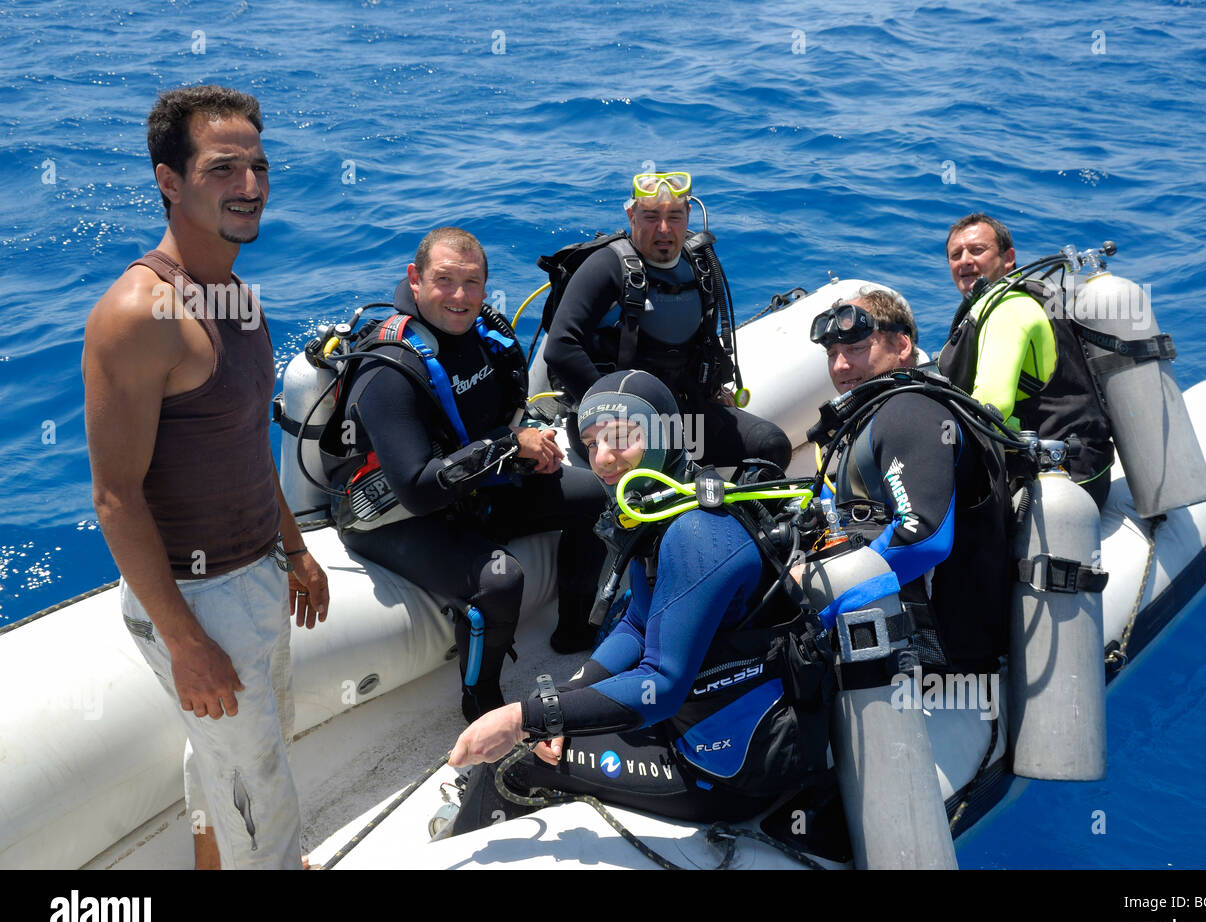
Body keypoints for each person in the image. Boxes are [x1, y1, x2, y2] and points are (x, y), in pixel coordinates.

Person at [83, 85, 329, 870]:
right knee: (264, 802)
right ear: (169, 180)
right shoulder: (135, 313)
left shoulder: (238, 299)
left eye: (258, 166)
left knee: (229, 777)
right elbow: (115, 498)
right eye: (223, 168)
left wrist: (291, 547)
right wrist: (187, 643)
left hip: (255, 573)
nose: (250, 185)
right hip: (199, 601)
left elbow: (245, 441)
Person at [445, 371, 830, 833]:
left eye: (622, 437)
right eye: (590, 442)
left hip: (729, 769)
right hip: (700, 724)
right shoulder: (665, 507)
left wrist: (524, 720)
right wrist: (562, 699)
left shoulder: (696, 532)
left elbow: (662, 685)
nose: (603, 459)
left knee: (510, 759)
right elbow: (636, 625)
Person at [321, 228, 607, 717]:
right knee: (500, 581)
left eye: (472, 283)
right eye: (444, 280)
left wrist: (526, 446)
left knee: (595, 496)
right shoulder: (389, 370)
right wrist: (507, 447)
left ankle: (573, 629)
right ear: (415, 279)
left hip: (471, 489)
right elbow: (416, 490)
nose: (460, 296)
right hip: (395, 517)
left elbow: (497, 420)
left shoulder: (479, 339)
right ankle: (481, 701)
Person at [814, 288, 1010, 673]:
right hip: (899, 630)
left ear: (902, 345)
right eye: (832, 354)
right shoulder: (878, 413)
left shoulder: (910, 411)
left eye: (855, 349)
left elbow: (923, 537)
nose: (840, 366)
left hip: (940, 659)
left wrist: (821, 595)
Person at [542, 171, 791, 472]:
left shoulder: (699, 263)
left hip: (682, 417)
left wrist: (712, 391)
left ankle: (742, 515)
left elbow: (703, 343)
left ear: (688, 214)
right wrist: (613, 413)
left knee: (772, 445)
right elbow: (560, 347)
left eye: (674, 216)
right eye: (650, 216)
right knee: (662, 474)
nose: (663, 229)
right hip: (611, 426)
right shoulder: (607, 266)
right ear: (631, 214)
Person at [938, 213, 1113, 509]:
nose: (964, 261)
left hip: (1060, 482)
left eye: (977, 250)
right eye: (956, 255)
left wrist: (928, 441)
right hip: (1090, 465)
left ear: (1009, 258)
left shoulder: (1008, 310)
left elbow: (991, 407)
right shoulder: (1034, 296)